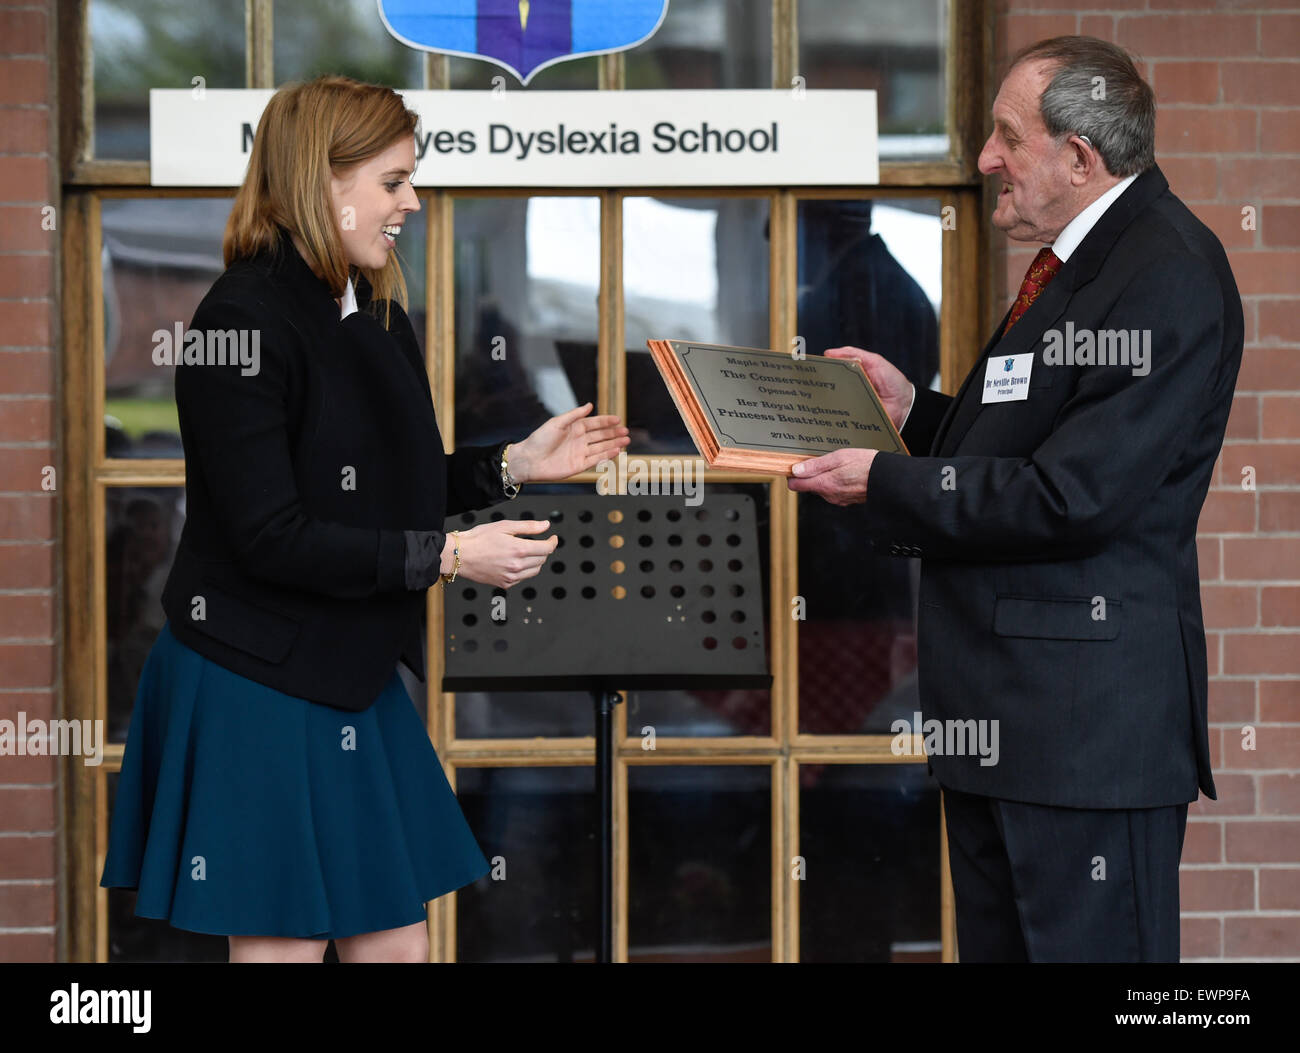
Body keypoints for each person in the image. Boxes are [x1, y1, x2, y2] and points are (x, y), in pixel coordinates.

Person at [100, 75, 630, 963]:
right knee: (282, 948)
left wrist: (514, 464)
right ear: (322, 182)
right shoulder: (237, 320)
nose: (412, 202)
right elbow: (272, 535)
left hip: (346, 671)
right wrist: (452, 556)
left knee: (396, 941)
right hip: (252, 674)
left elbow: (391, 488)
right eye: (392, 181)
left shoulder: (375, 311)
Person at [789, 36, 1243, 962]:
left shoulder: (1164, 271)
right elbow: (1025, 439)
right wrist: (915, 414)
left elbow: (1076, 495)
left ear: (1080, 157)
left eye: (1006, 135)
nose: (985, 158)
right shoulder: (1076, 263)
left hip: (1084, 736)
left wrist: (883, 480)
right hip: (1015, 723)